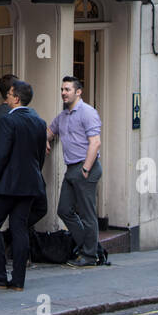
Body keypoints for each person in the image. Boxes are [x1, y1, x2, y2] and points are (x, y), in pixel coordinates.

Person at [0, 79, 48, 291]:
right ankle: (18, 280)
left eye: (8, 95)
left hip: (7, 184)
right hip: (30, 183)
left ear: (16, 98)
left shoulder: (8, 121)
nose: (6, 99)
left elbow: (1, 154)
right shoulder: (39, 122)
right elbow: (39, 157)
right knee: (19, 228)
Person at [48, 75, 102, 267]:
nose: (63, 93)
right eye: (62, 89)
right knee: (64, 210)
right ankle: (90, 247)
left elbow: (95, 142)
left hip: (85, 167)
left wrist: (86, 169)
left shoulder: (87, 112)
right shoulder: (63, 116)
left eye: (67, 89)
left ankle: (89, 256)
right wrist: (46, 139)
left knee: (87, 214)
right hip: (71, 168)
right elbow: (50, 130)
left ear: (78, 92)